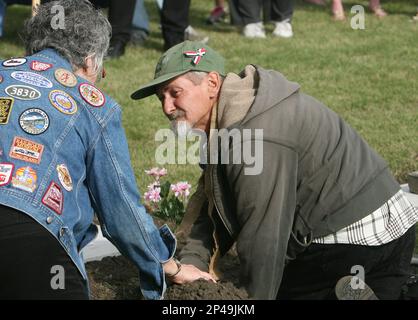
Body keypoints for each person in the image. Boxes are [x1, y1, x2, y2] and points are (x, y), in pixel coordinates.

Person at [131, 40, 418, 299]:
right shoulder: (233, 115)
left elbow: (265, 235)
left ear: (211, 83)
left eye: (175, 93)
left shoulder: (253, 136)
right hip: (389, 231)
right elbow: (212, 199)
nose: (167, 107)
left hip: (360, 241)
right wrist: (193, 263)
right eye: (161, 97)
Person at [0, 1, 214, 300]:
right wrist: (169, 265)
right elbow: (120, 209)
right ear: (89, 61)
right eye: (100, 71)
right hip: (31, 240)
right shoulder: (94, 104)